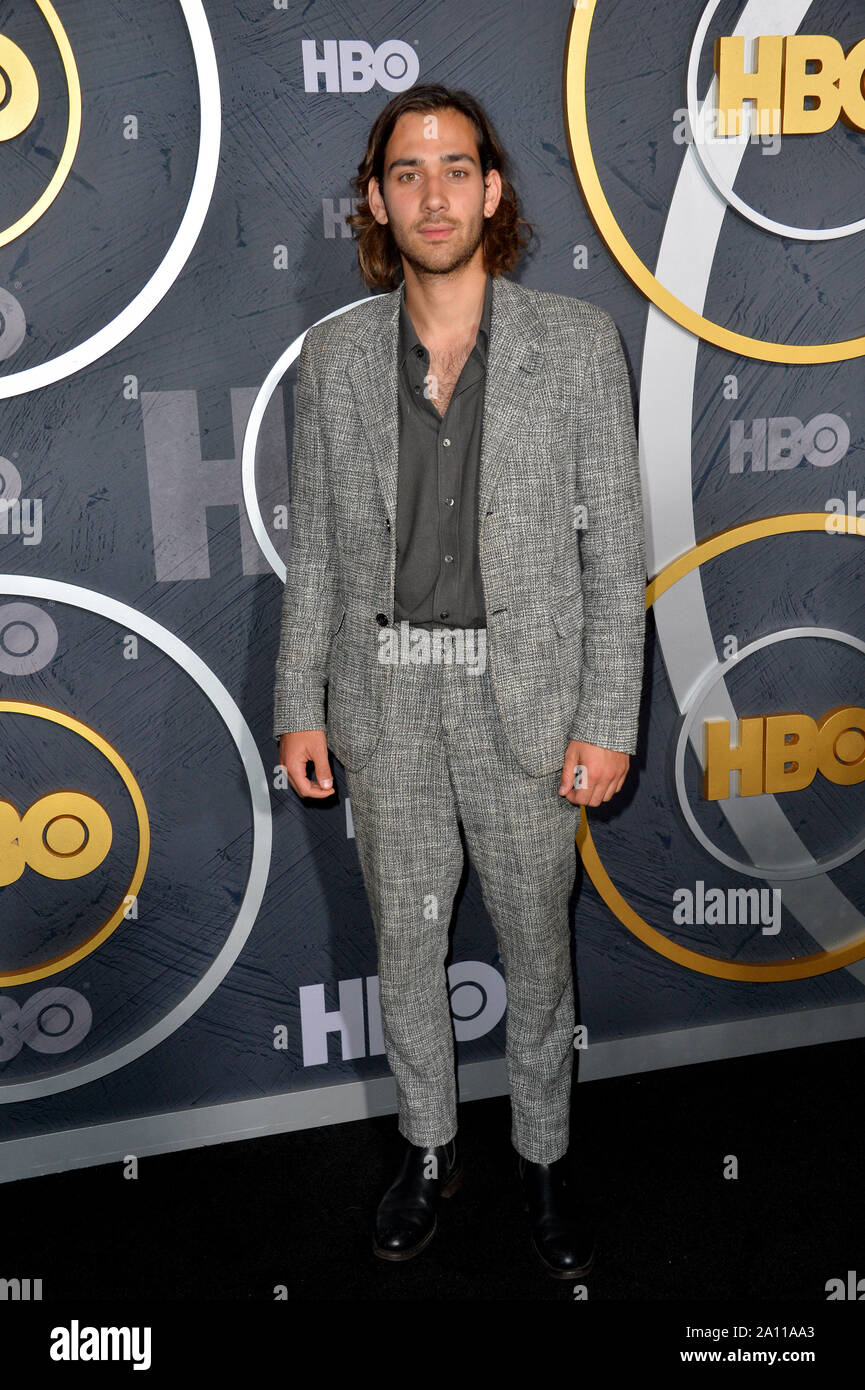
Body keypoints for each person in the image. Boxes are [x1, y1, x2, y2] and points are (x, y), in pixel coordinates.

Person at [273, 83, 645, 1280]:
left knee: (539, 948)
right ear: (376, 200)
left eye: (454, 167)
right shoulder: (330, 361)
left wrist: (605, 718)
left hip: (527, 703)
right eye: (405, 171)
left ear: (492, 189)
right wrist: (299, 704)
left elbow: (614, 551)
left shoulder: (578, 345)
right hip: (384, 701)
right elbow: (320, 551)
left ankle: (544, 1161)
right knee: (406, 945)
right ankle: (429, 1151)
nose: (431, 193)